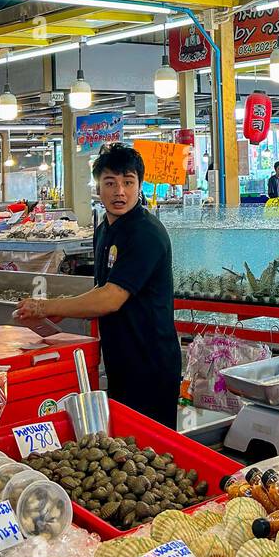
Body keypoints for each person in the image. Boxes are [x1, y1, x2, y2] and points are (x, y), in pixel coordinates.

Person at [15, 143, 181, 427]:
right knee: (123, 443)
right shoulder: (105, 228)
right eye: (110, 182)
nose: (120, 191)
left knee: (151, 452)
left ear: (139, 185)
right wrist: (63, 309)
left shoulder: (145, 233)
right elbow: (103, 286)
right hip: (120, 357)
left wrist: (50, 305)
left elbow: (111, 298)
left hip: (151, 361)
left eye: (128, 182)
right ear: (98, 187)